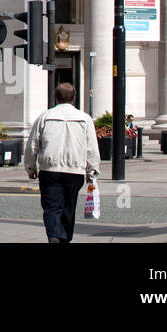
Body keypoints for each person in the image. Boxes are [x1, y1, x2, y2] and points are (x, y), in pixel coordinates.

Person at [23, 82, 100, 243]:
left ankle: (54, 235)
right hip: (75, 170)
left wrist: (31, 168)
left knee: (51, 207)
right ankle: (65, 238)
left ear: (56, 98)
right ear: (74, 98)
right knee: (69, 208)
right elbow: (92, 148)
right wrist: (92, 171)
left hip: (50, 169)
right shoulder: (85, 119)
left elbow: (32, 145)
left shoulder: (44, 117)